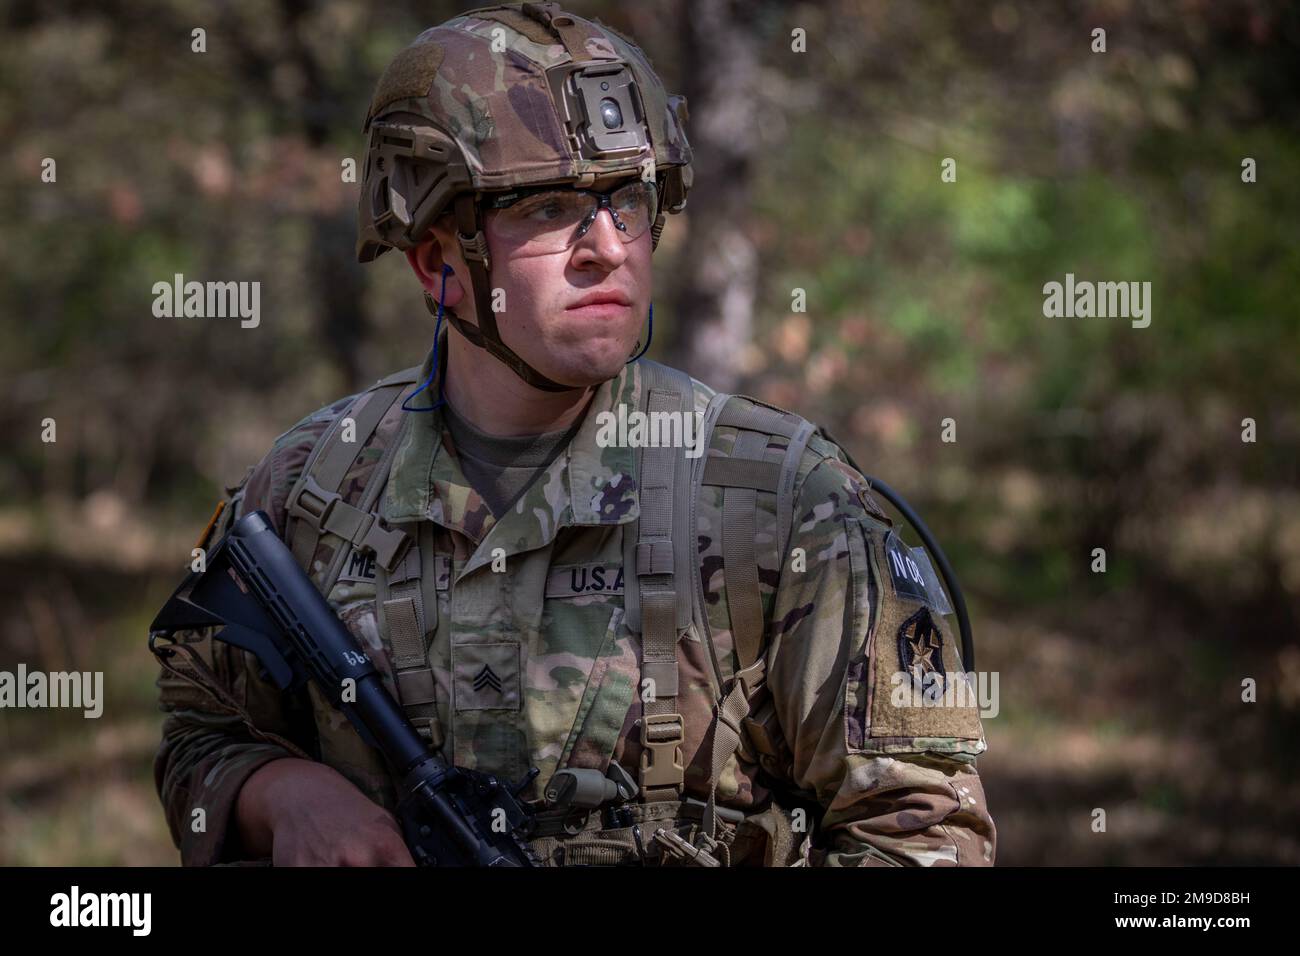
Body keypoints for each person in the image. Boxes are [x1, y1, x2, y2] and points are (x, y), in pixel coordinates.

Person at [153, 1, 996, 867]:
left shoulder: (787, 504)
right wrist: (279, 795)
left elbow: (922, 834)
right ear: (439, 262)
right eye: (549, 208)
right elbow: (202, 734)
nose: (606, 247)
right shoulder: (311, 488)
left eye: (627, 201)